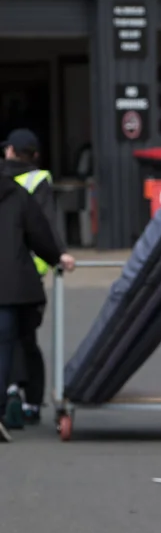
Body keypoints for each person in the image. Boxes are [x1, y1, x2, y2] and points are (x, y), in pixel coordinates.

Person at [1, 128, 70, 426]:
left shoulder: (13, 184)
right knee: (24, 341)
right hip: (25, 275)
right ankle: (28, 401)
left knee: (8, 342)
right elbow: (44, 230)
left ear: (10, 152)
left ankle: (10, 395)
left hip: (16, 271)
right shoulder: (36, 183)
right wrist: (57, 257)